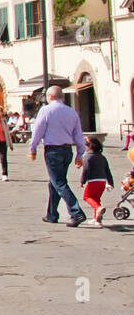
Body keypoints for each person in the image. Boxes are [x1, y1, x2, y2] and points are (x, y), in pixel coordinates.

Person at [29, 84, 88, 227]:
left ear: (50, 96)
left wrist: (33, 148)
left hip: (53, 151)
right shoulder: (72, 112)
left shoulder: (46, 110)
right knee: (55, 182)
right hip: (67, 151)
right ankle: (52, 214)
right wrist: (80, 154)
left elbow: (38, 130)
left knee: (59, 183)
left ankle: (76, 212)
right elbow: (78, 135)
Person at [80, 136, 114, 225]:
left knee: (87, 197)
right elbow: (107, 170)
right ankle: (97, 219)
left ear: (89, 146)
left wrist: (82, 180)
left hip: (93, 181)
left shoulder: (87, 156)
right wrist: (110, 182)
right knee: (96, 198)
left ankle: (98, 208)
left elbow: (86, 169)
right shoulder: (102, 157)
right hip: (102, 181)